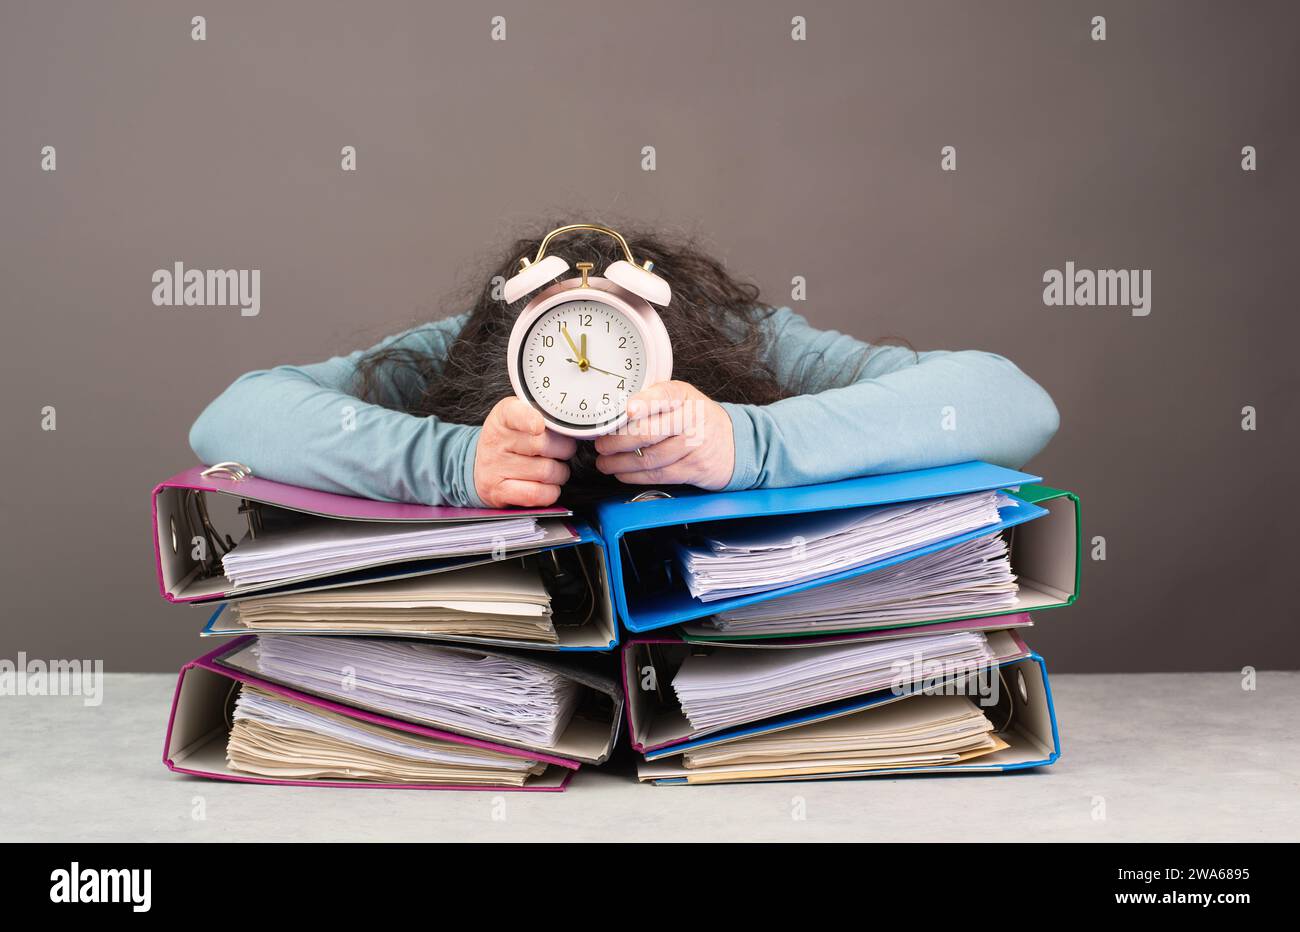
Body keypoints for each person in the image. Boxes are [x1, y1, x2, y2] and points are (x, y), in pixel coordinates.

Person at [189, 223, 1059, 508]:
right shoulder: (475, 342)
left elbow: (1010, 399)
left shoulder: (739, 335)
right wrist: (453, 465)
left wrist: (747, 444)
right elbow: (232, 416)